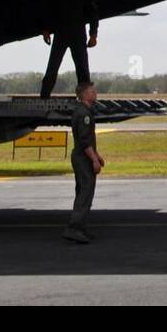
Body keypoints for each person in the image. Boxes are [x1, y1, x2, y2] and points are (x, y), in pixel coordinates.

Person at [40, 0, 99, 99]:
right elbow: (49, 10)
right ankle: (44, 96)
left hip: (78, 35)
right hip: (61, 34)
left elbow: (93, 13)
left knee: (82, 68)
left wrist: (93, 34)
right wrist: (46, 29)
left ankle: (85, 97)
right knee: (53, 67)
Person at [65, 80, 104, 244]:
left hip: (83, 155)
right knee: (85, 192)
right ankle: (75, 228)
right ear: (84, 94)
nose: (95, 93)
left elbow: (86, 139)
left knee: (83, 191)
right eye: (92, 91)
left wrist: (97, 155)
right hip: (83, 157)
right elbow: (84, 140)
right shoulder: (84, 114)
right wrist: (94, 159)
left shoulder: (83, 111)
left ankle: (80, 227)